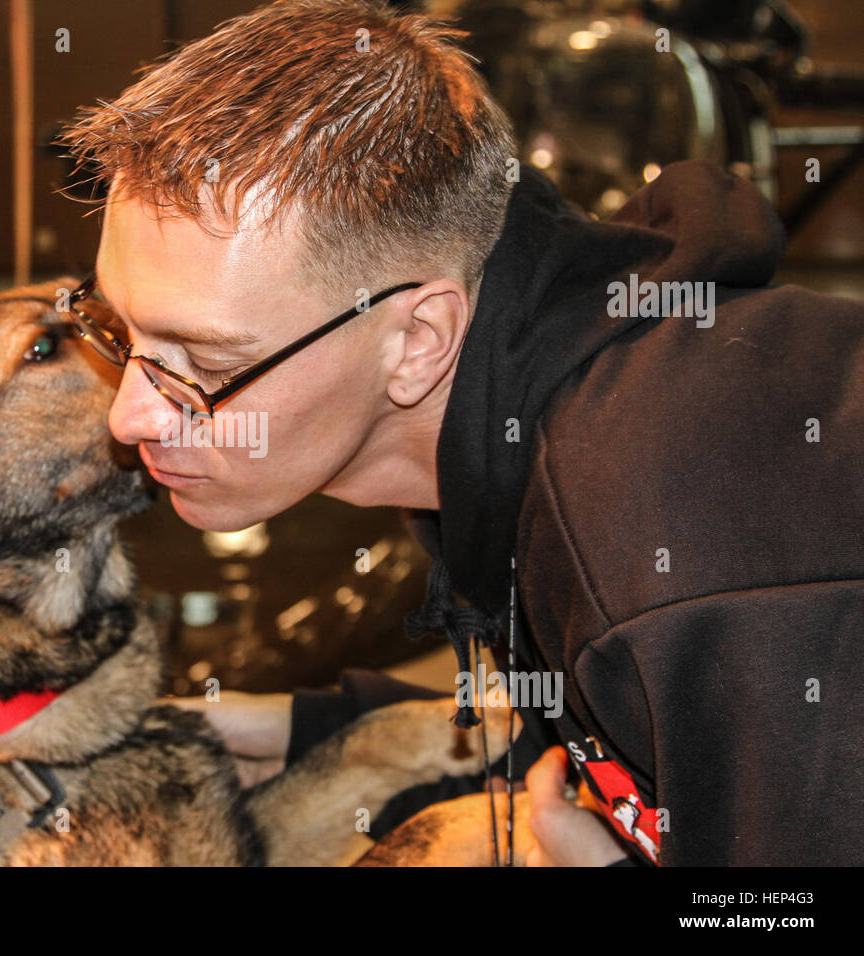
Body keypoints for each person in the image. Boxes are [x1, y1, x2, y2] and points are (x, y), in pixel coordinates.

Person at [56, 0, 864, 865]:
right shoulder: (529, 394)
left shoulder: (673, 546)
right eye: (117, 329)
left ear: (418, 340)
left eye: (210, 361)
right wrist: (327, 731)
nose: (128, 415)